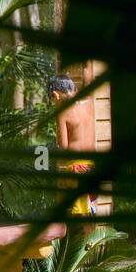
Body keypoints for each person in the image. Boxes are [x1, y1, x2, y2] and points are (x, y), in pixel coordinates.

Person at [49, 74, 96, 217]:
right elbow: (88, 77)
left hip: (77, 168)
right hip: (93, 165)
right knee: (90, 209)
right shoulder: (89, 103)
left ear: (56, 95)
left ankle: (82, 238)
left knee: (81, 214)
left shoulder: (63, 113)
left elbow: (63, 146)